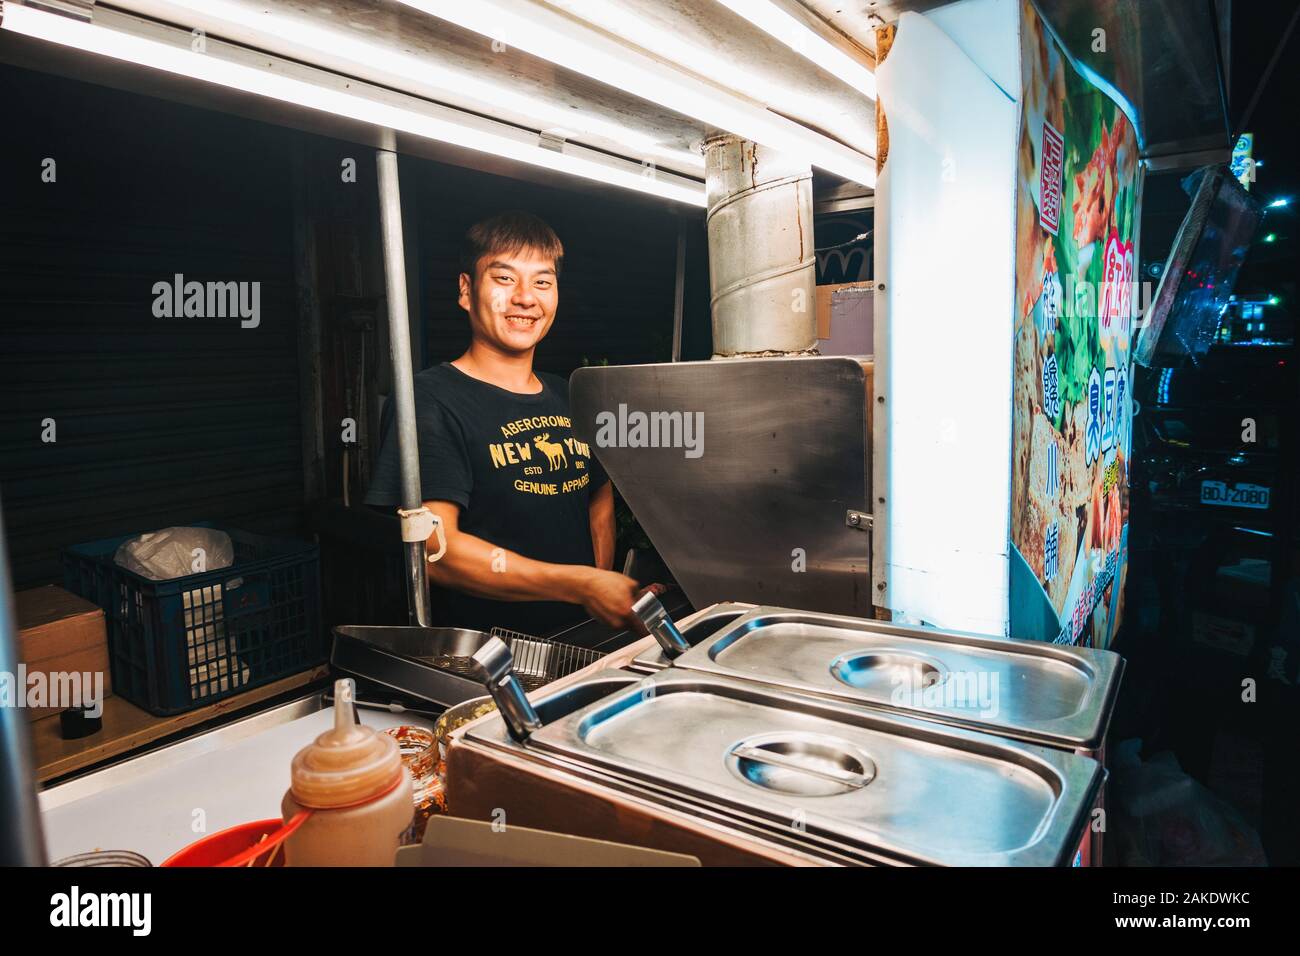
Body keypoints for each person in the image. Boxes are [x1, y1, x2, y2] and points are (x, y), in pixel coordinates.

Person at [366, 211, 642, 635]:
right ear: (466, 290)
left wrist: (597, 594)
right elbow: (435, 552)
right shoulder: (428, 399)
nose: (526, 298)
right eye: (505, 279)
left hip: (576, 640)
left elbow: (598, 493)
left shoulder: (570, 394)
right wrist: (581, 585)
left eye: (542, 282)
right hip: (485, 657)